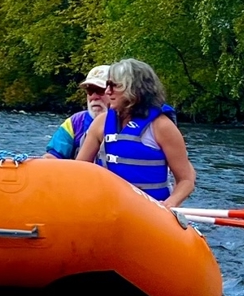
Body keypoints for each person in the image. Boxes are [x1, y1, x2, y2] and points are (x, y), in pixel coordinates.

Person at [76, 58, 196, 207]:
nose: (108, 91)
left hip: (148, 210)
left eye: (114, 86)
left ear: (135, 90)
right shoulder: (101, 123)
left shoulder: (162, 127)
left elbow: (186, 180)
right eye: (107, 85)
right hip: (109, 207)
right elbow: (78, 171)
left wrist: (169, 204)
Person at [45, 65, 112, 159]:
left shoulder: (128, 122)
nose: (94, 97)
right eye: (90, 91)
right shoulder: (74, 122)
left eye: (100, 90)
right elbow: (52, 157)